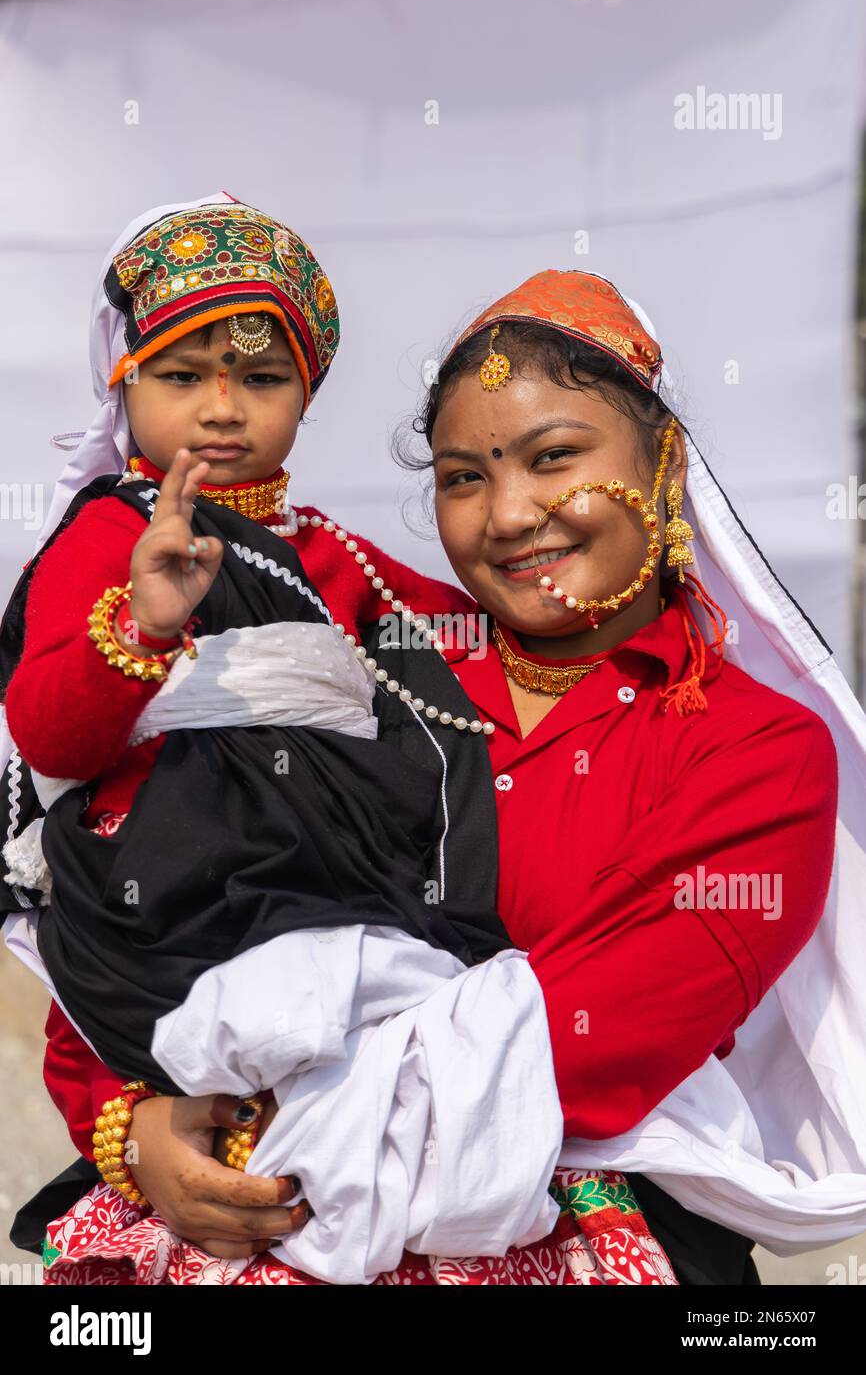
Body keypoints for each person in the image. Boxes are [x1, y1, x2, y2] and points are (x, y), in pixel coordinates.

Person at [9, 265, 866, 1286]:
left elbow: (583, 1042)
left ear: (663, 461)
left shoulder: (753, 751)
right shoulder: (368, 657)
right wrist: (130, 1122)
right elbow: (171, 889)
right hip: (249, 1206)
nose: (508, 515)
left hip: (565, 1207)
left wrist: (284, 1126)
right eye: (462, 477)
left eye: (553, 458)